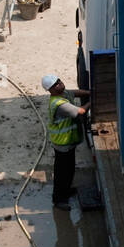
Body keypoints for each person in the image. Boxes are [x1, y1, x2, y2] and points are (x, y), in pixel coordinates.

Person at [42, 73, 89, 209]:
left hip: (68, 142)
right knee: (62, 172)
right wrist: (92, 101)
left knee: (69, 169)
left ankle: (66, 191)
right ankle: (59, 200)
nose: (59, 84)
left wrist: (89, 92)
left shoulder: (64, 94)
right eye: (55, 85)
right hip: (62, 144)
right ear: (50, 90)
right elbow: (80, 111)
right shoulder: (58, 104)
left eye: (59, 81)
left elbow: (74, 93)